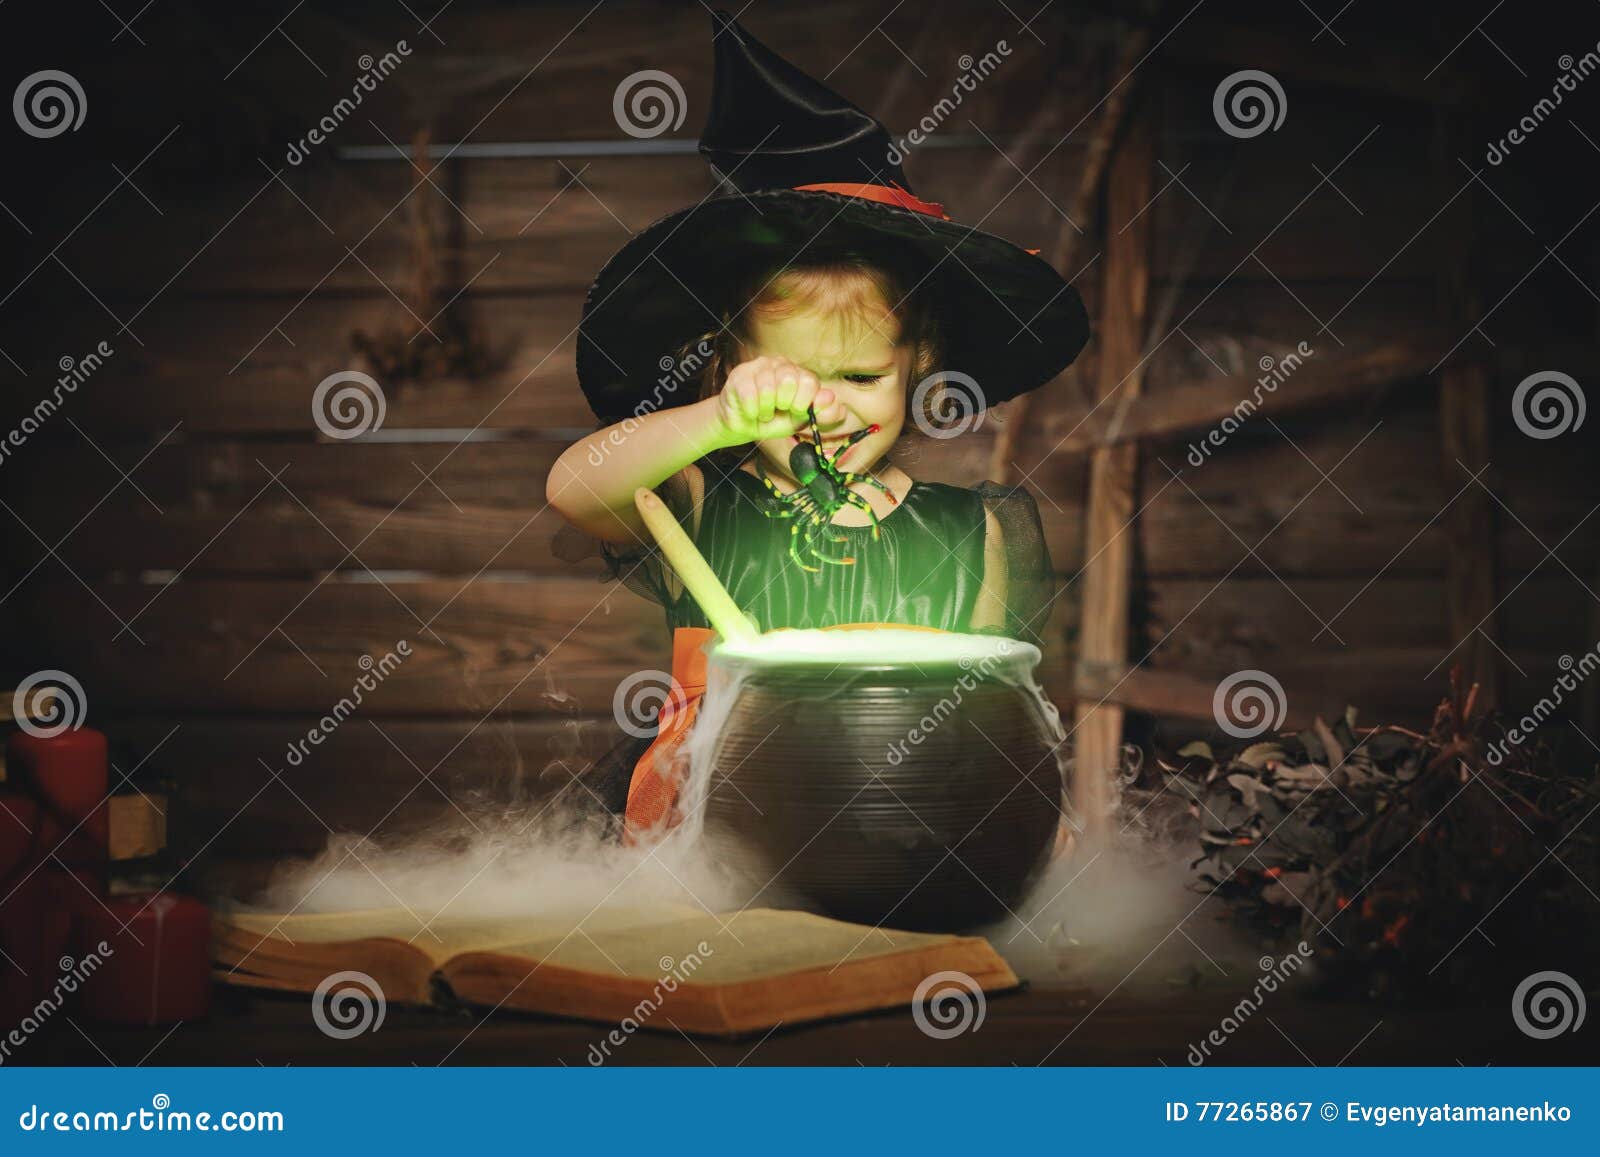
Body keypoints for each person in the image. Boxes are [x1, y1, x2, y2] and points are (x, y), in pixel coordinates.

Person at [547, 9, 1090, 838]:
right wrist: (714, 421)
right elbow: (573, 488)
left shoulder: (968, 528)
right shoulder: (698, 498)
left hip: (906, 825)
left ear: (917, 369)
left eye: (862, 376)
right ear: (732, 371)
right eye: (790, 376)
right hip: (717, 824)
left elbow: (993, 711)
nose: (826, 407)